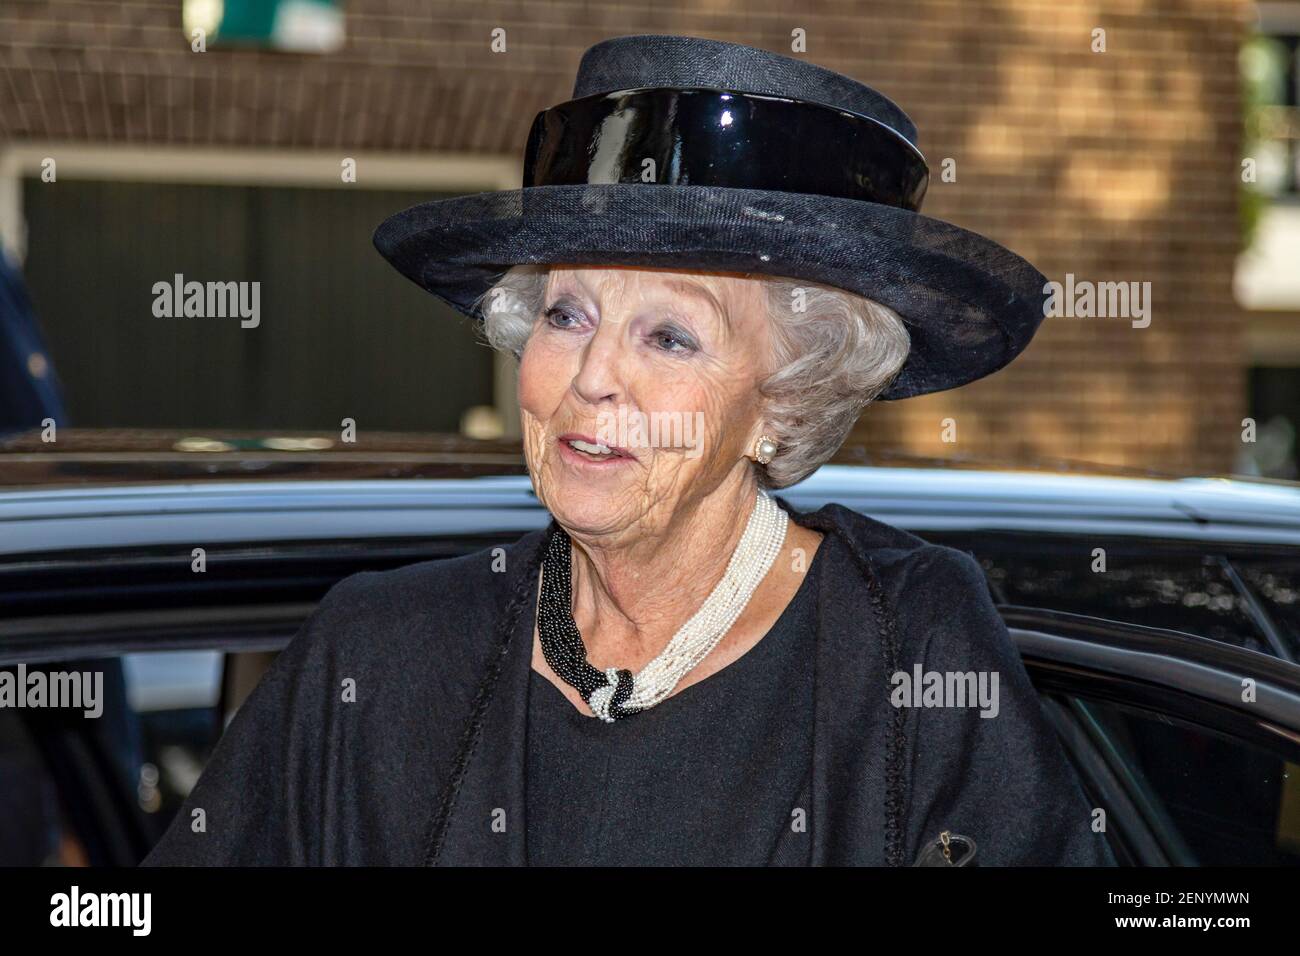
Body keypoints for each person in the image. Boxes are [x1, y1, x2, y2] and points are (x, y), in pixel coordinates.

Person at [143, 34, 1114, 866]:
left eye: (669, 336)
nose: (591, 374)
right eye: (567, 314)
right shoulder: (378, 648)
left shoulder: (904, 640)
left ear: (785, 397)